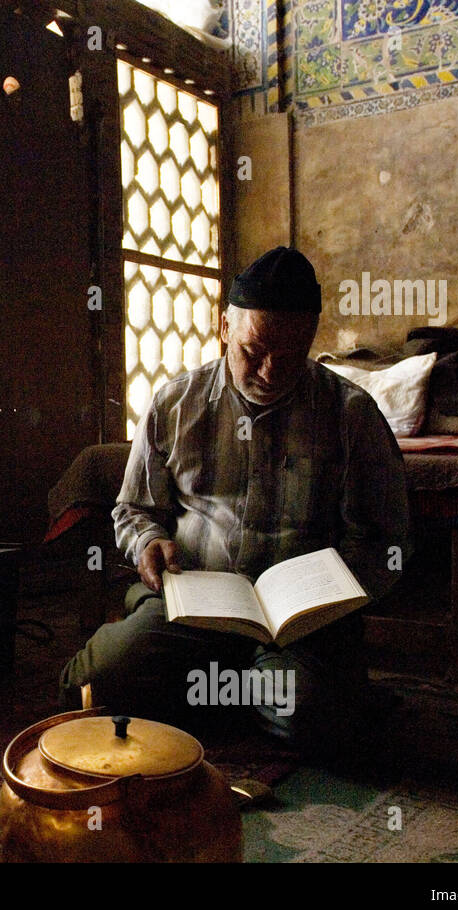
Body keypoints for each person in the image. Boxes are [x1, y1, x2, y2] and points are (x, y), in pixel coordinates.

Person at [59, 246, 410, 757]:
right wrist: (148, 541)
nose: (270, 371)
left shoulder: (351, 414)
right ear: (225, 327)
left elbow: (386, 542)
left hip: (300, 630)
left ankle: (224, 689)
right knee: (93, 685)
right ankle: (242, 690)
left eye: (290, 356)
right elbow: (134, 510)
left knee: (307, 715)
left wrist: (334, 598)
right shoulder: (175, 403)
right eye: (254, 351)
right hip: (191, 611)